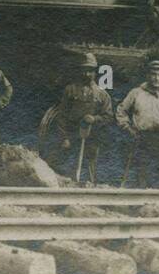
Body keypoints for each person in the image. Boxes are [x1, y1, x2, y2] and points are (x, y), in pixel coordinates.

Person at [117, 59, 159, 187]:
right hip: (142, 139)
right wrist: (127, 127)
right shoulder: (136, 93)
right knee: (142, 176)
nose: (156, 78)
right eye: (153, 74)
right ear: (148, 75)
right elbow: (121, 111)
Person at [50, 52, 116, 183]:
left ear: (95, 72)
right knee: (66, 166)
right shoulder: (70, 90)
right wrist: (64, 137)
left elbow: (108, 117)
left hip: (92, 136)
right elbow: (62, 115)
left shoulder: (102, 95)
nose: (86, 74)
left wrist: (95, 118)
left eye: (90, 71)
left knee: (90, 167)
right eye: (84, 70)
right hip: (72, 134)